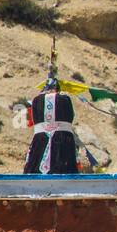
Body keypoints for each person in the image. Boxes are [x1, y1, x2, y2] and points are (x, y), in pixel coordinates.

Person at [23, 43, 80, 175]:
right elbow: (70, 116)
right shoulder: (64, 100)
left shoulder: (37, 100)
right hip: (64, 143)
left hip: (40, 141)